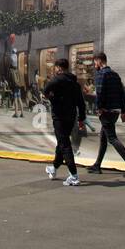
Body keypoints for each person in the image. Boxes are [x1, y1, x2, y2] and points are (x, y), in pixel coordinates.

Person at [88, 52, 125, 177]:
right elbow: (122, 94)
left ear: (99, 61)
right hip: (115, 111)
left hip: (106, 111)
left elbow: (99, 93)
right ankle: (97, 165)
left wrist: (99, 108)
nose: (95, 65)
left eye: (95, 62)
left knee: (111, 138)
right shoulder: (115, 75)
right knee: (103, 137)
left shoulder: (101, 74)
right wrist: (123, 111)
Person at [43, 58, 86, 186]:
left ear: (59, 68)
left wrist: (53, 99)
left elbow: (46, 90)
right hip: (71, 116)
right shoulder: (75, 83)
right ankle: (54, 168)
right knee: (62, 143)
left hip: (59, 117)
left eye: (56, 68)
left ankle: (74, 175)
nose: (55, 70)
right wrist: (81, 119)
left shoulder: (56, 79)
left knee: (65, 144)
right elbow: (81, 103)